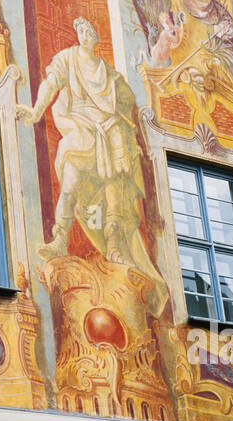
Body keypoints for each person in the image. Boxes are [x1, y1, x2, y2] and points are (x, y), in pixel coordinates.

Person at [18, 18, 165, 303]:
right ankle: (60, 238)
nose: (84, 33)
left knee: (114, 190)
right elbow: (51, 83)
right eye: (80, 29)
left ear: (96, 36)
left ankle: (113, 244)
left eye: (89, 29)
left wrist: (117, 108)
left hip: (109, 133)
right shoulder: (68, 59)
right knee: (70, 184)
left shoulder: (109, 73)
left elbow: (126, 100)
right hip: (80, 129)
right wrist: (37, 111)